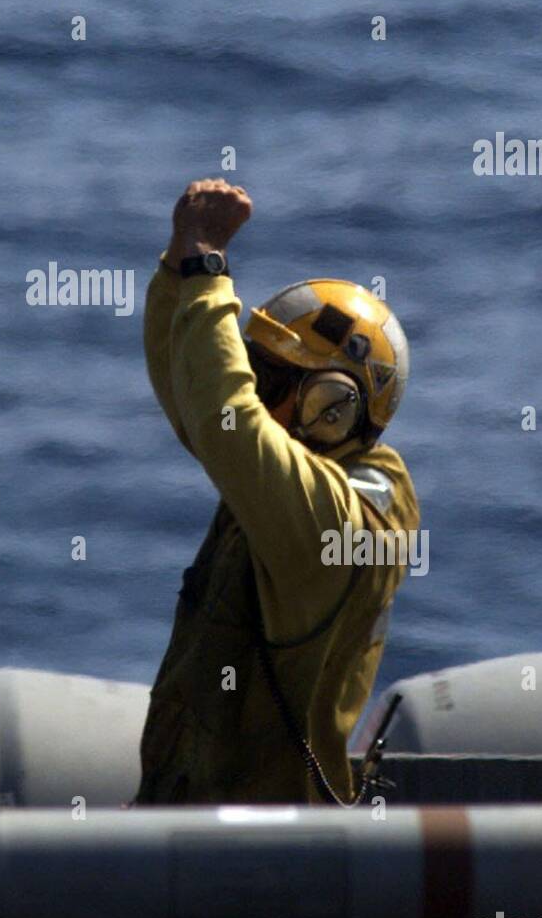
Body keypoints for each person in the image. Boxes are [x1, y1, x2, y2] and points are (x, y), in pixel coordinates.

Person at [134, 178, 419, 805]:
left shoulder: (337, 525)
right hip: (196, 814)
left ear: (332, 407)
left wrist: (209, 266)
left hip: (261, 852)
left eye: (271, 376)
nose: (254, 389)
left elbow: (222, 415)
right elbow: (197, 397)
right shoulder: (299, 469)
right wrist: (183, 268)